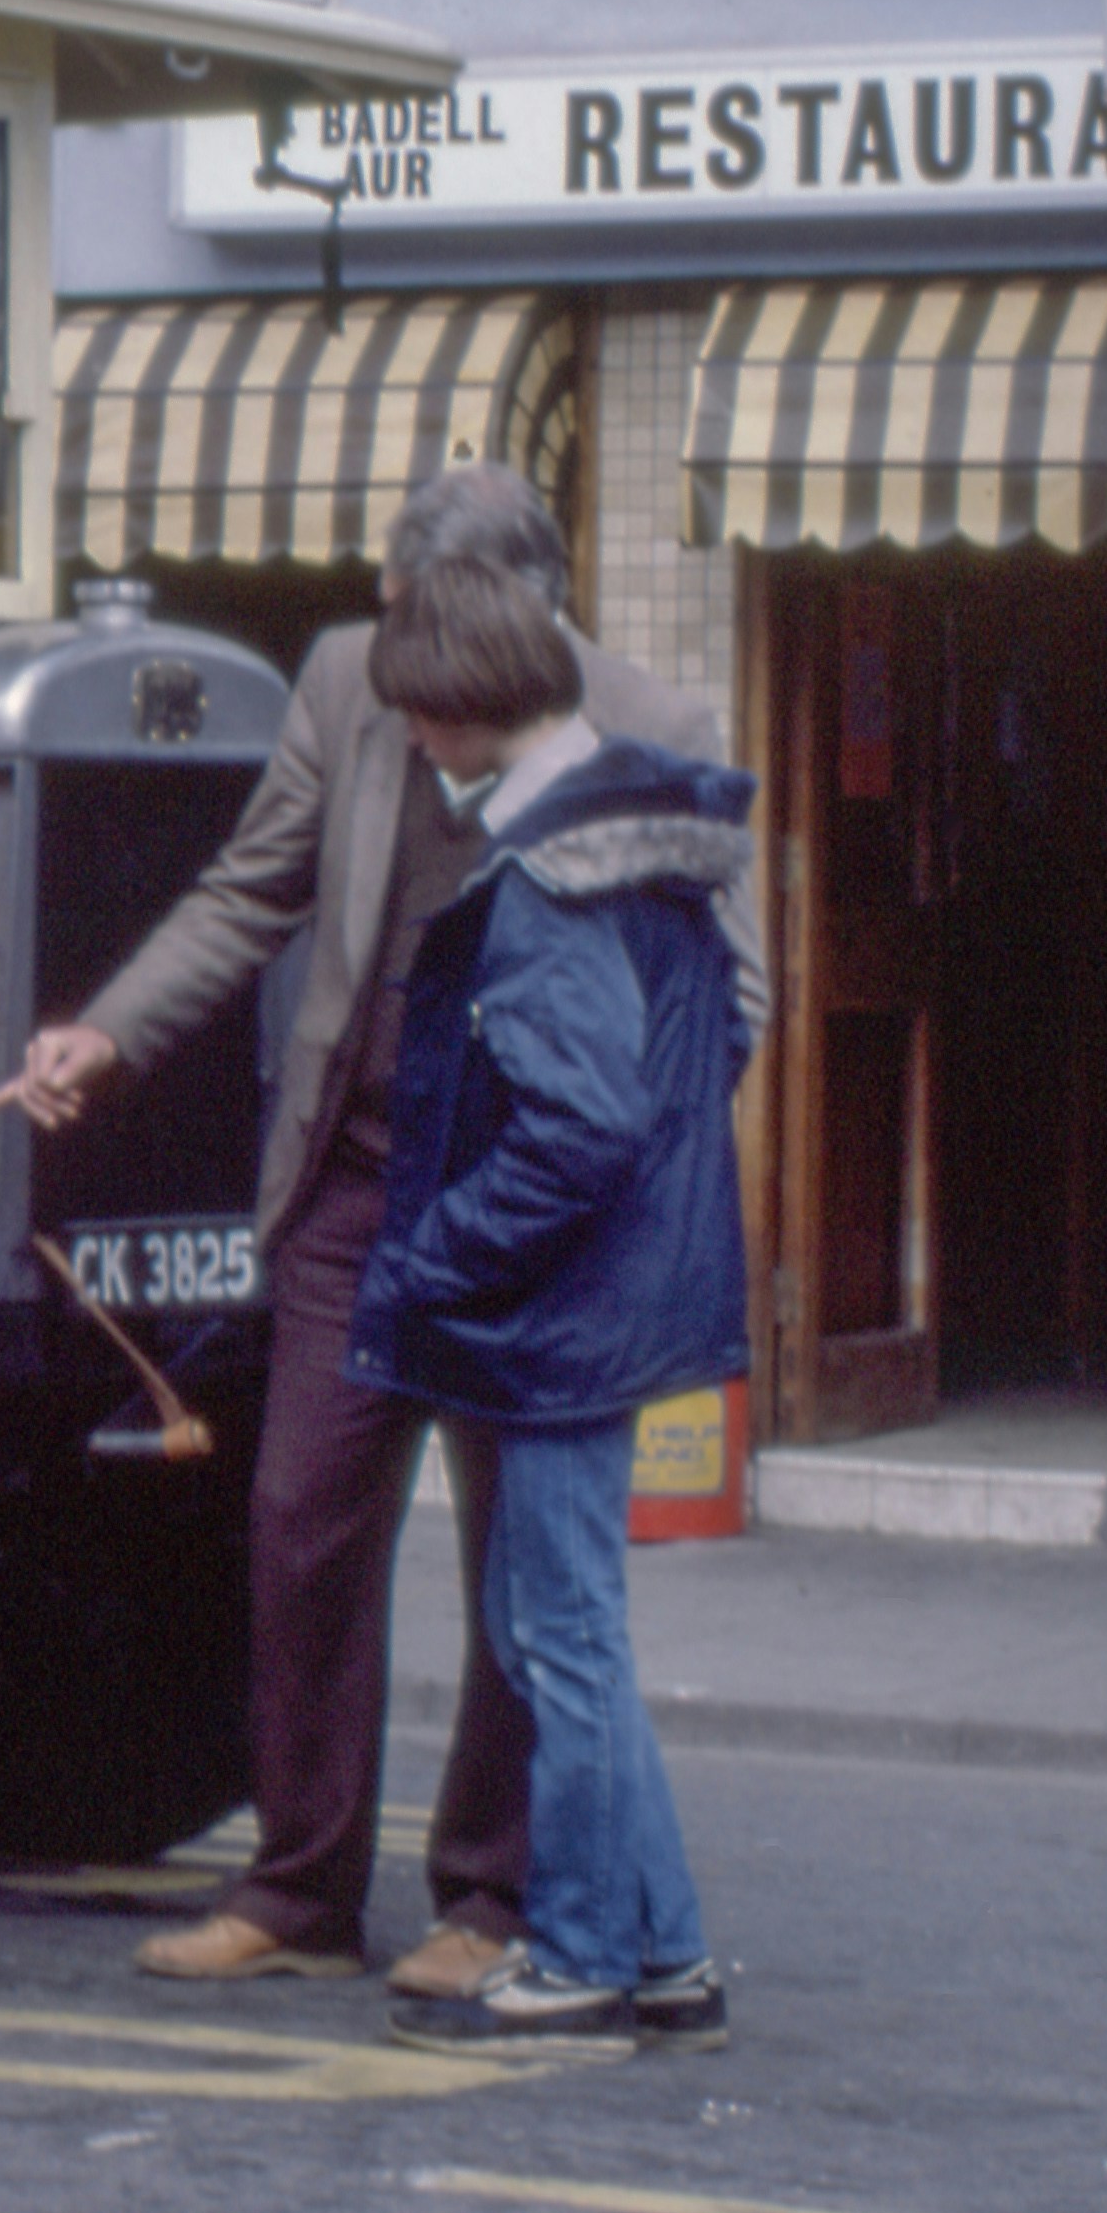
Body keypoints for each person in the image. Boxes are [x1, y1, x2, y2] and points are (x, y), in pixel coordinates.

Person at [0, 464, 754, 1996]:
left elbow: (723, 1002)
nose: (394, 662)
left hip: (528, 1208)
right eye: (387, 615)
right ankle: (298, 1889)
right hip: (358, 1180)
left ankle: (490, 1898)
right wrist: (110, 1033)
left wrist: (610, 1177)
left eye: (425, 629)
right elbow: (249, 887)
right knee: (297, 1521)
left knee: (519, 1573)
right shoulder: (346, 674)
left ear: (517, 614)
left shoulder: (654, 729)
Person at [345, 558, 749, 2052]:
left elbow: (575, 1126)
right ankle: (666, 1952)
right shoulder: (643, 839)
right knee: (561, 1630)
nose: (405, 745)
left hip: (562, 1315)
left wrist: (434, 1252)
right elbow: (710, 1052)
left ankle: (581, 1949)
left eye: (413, 720)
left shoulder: (541, 881)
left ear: (457, 712)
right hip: (629, 1290)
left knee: (556, 1635)